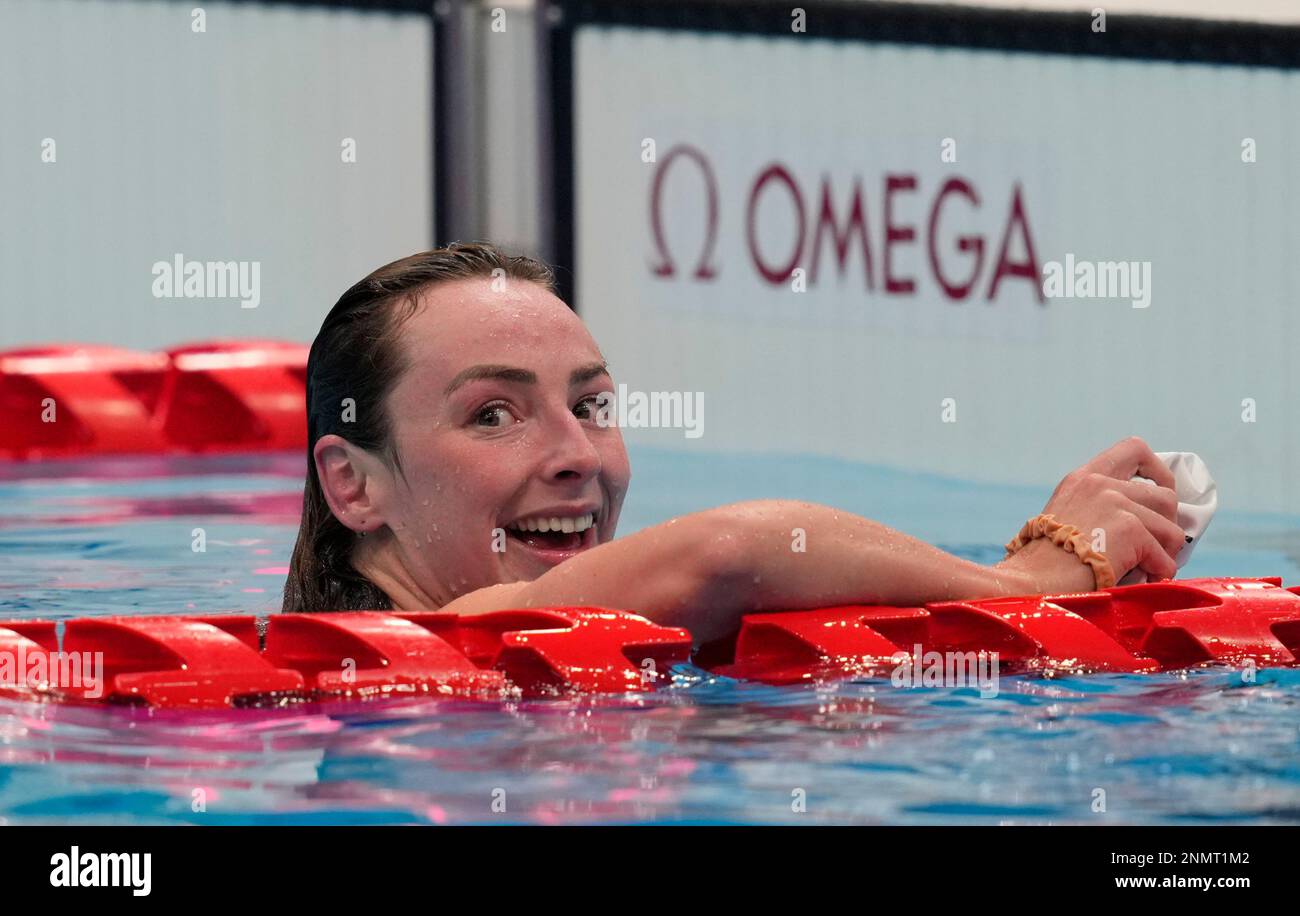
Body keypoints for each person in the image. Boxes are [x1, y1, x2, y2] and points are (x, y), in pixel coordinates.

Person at [283, 243, 1185, 643]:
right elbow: (733, 551)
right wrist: (1030, 583)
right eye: (492, 415)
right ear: (354, 485)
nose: (579, 456)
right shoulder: (452, 634)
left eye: (592, 406)